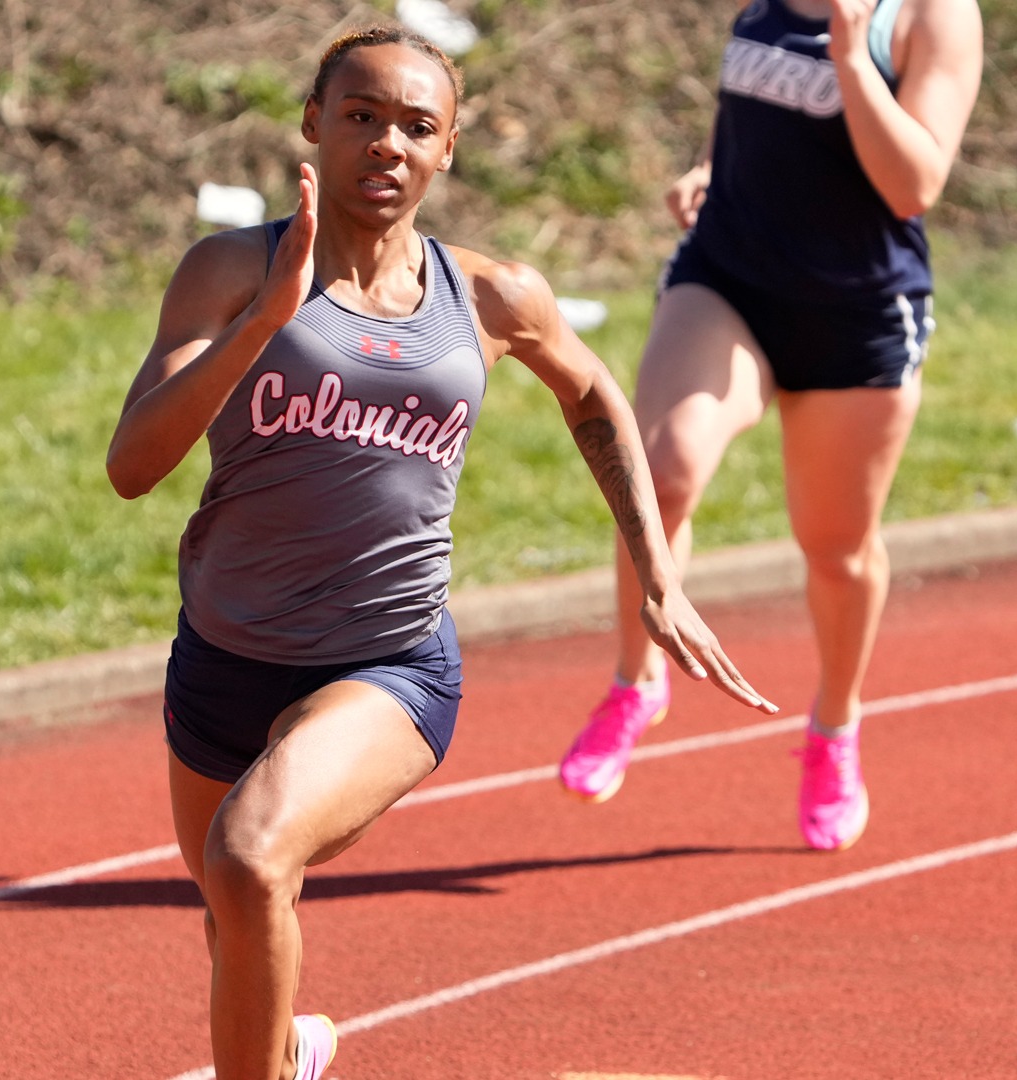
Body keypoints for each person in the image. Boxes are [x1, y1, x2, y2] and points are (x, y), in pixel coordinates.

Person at [107, 27, 777, 1080]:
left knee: (246, 859)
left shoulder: (491, 297)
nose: (386, 145)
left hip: (385, 662)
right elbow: (133, 464)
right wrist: (267, 319)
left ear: (448, 149)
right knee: (236, 917)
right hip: (224, 655)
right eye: (362, 116)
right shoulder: (230, 269)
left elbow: (597, 395)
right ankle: (290, 1054)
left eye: (416, 126)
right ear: (313, 125)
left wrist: (659, 576)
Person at [556, 0, 983, 851]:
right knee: (658, 471)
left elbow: (915, 184)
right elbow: (759, 108)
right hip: (730, 275)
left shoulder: (934, 15)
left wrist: (855, 57)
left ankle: (834, 727)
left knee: (835, 547)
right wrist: (711, 163)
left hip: (857, 310)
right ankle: (639, 679)